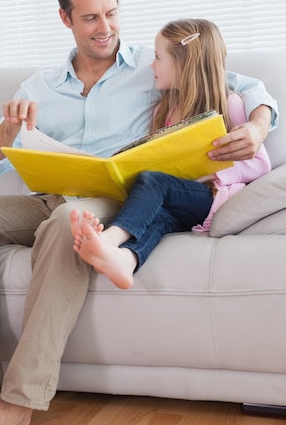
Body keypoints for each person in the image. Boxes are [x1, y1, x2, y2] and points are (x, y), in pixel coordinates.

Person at [0, 0, 277, 425]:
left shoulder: (152, 62)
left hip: (111, 200)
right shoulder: (40, 85)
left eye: (112, 13)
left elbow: (248, 87)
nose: (105, 28)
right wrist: (5, 134)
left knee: (67, 222)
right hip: (51, 194)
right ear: (65, 18)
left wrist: (258, 128)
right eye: (90, 17)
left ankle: (19, 402)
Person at [70, 19, 272, 290]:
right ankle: (126, 260)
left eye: (157, 57)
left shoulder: (230, 105)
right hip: (178, 202)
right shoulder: (162, 112)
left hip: (210, 198)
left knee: (154, 181)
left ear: (183, 64)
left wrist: (210, 170)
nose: (151, 65)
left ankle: (109, 239)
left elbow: (261, 164)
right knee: (160, 217)